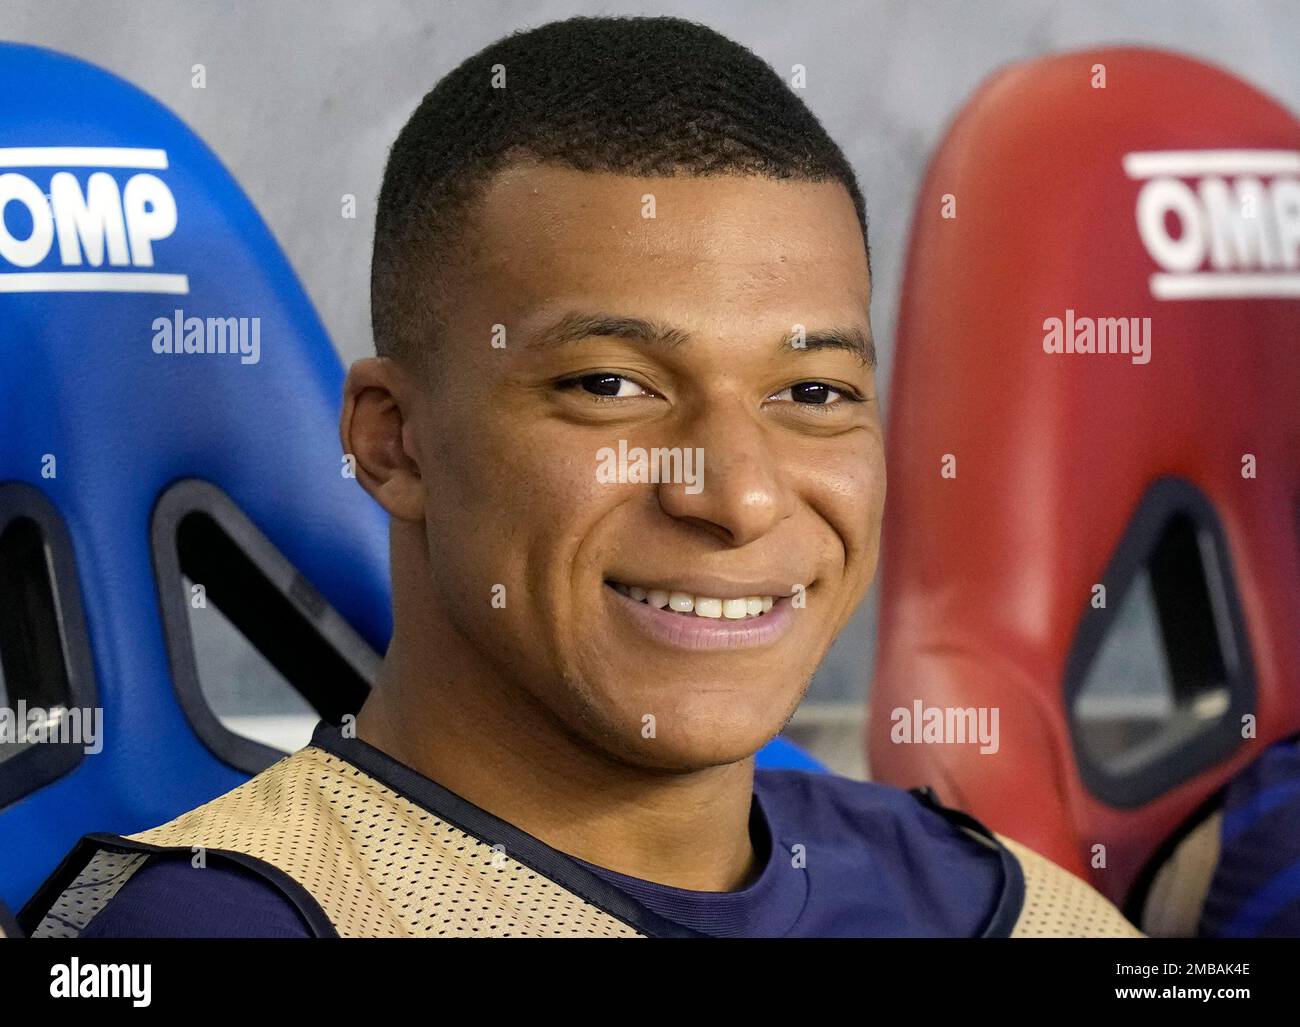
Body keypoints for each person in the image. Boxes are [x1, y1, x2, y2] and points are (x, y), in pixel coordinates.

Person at [26, 14, 1140, 938]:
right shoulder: (208, 927)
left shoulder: (994, 900)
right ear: (390, 442)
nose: (737, 493)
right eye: (612, 387)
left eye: (811, 393)